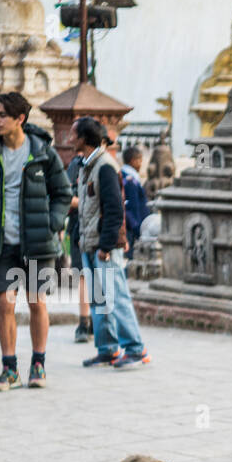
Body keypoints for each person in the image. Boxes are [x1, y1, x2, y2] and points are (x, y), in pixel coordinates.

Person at [0, 91, 72, 392]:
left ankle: (39, 364)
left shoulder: (41, 152)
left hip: (37, 241)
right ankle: (9, 369)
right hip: (1, 243)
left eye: (2, 115)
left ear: (19, 119)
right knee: (5, 304)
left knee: (37, 302)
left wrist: (51, 223)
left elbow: (63, 193)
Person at [73, 116, 149, 369]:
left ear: (83, 139)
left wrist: (106, 245)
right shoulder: (87, 165)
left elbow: (115, 210)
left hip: (105, 246)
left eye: (73, 134)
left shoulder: (105, 166)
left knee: (116, 297)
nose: (69, 139)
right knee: (99, 300)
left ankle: (135, 349)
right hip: (90, 243)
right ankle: (107, 349)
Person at [64, 148, 92, 342]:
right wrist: (88, 204)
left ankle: (98, 322)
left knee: (101, 276)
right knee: (83, 275)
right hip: (79, 227)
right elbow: (65, 196)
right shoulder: (77, 165)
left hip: (100, 228)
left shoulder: (105, 165)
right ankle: (84, 322)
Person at [120, 144, 149, 258]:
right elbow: (130, 207)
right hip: (132, 229)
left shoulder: (128, 176)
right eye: (139, 160)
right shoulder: (130, 180)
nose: (141, 164)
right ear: (132, 160)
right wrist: (137, 229)